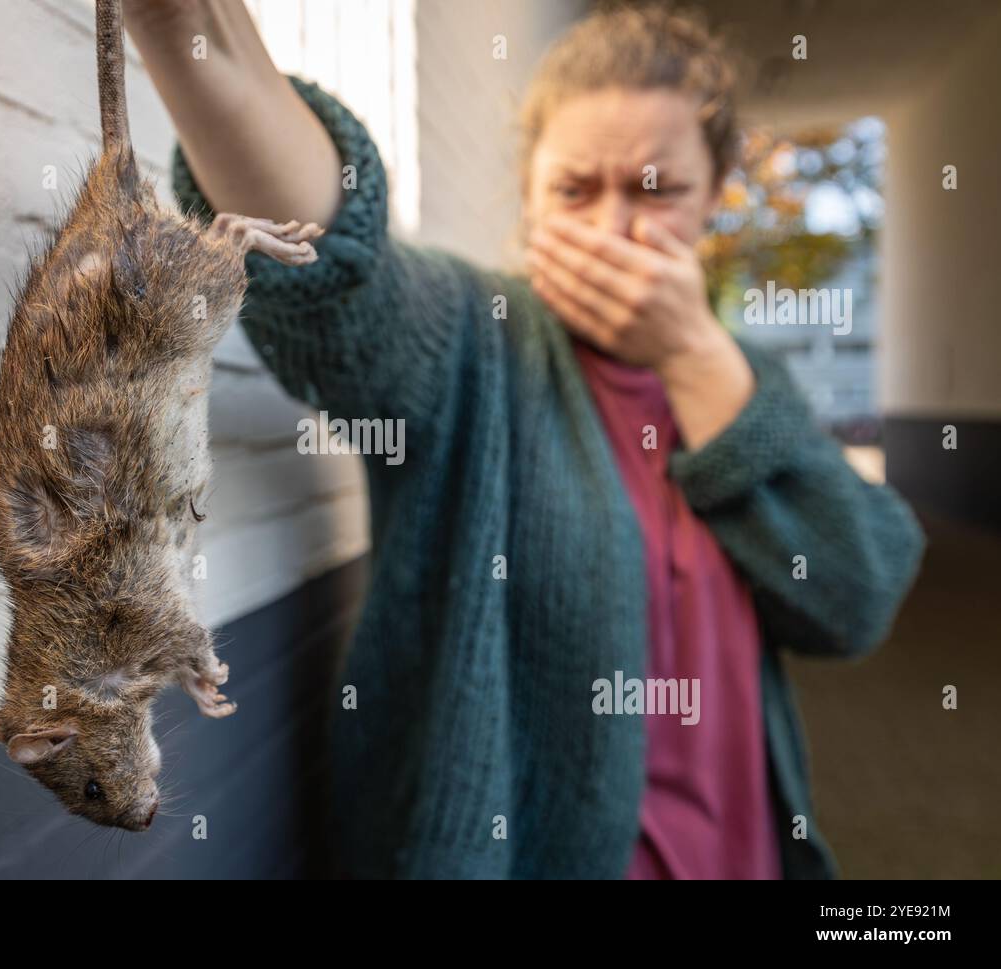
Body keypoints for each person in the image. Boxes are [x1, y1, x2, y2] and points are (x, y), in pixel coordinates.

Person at [122, 1, 926, 878]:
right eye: (576, 190)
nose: (614, 228)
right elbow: (339, 268)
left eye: (658, 190)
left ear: (719, 190)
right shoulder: (481, 339)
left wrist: (696, 354)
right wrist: (183, 28)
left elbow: (856, 597)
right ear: (530, 189)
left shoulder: (746, 378)